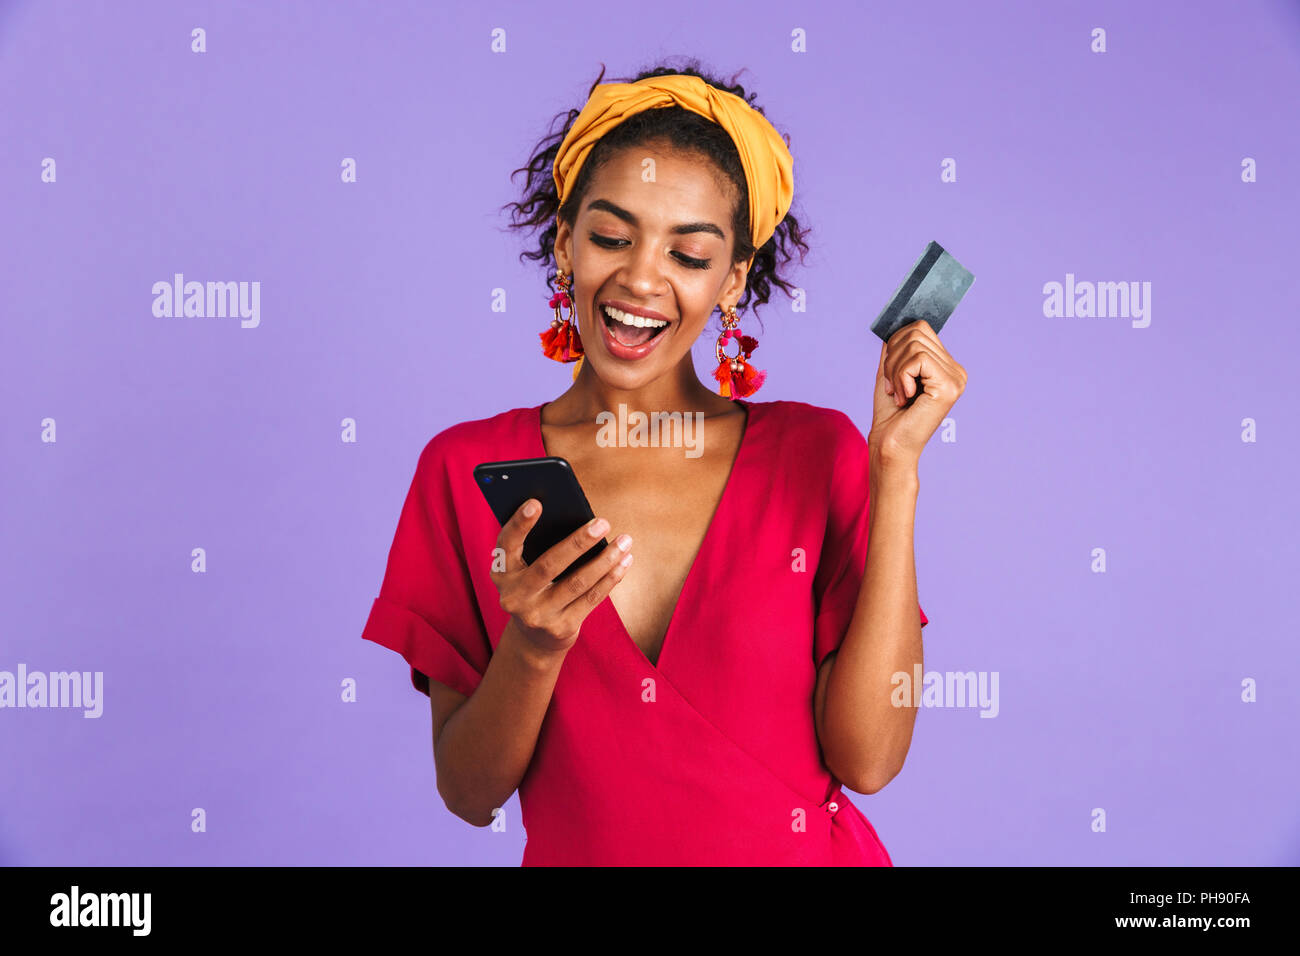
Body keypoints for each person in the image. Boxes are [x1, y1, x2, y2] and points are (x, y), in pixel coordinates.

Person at [361, 60, 967, 865]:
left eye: (689, 254)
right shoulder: (466, 468)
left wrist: (896, 469)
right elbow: (470, 795)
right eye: (611, 236)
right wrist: (534, 646)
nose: (641, 277)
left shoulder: (814, 455)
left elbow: (870, 759)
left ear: (733, 281)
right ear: (564, 243)